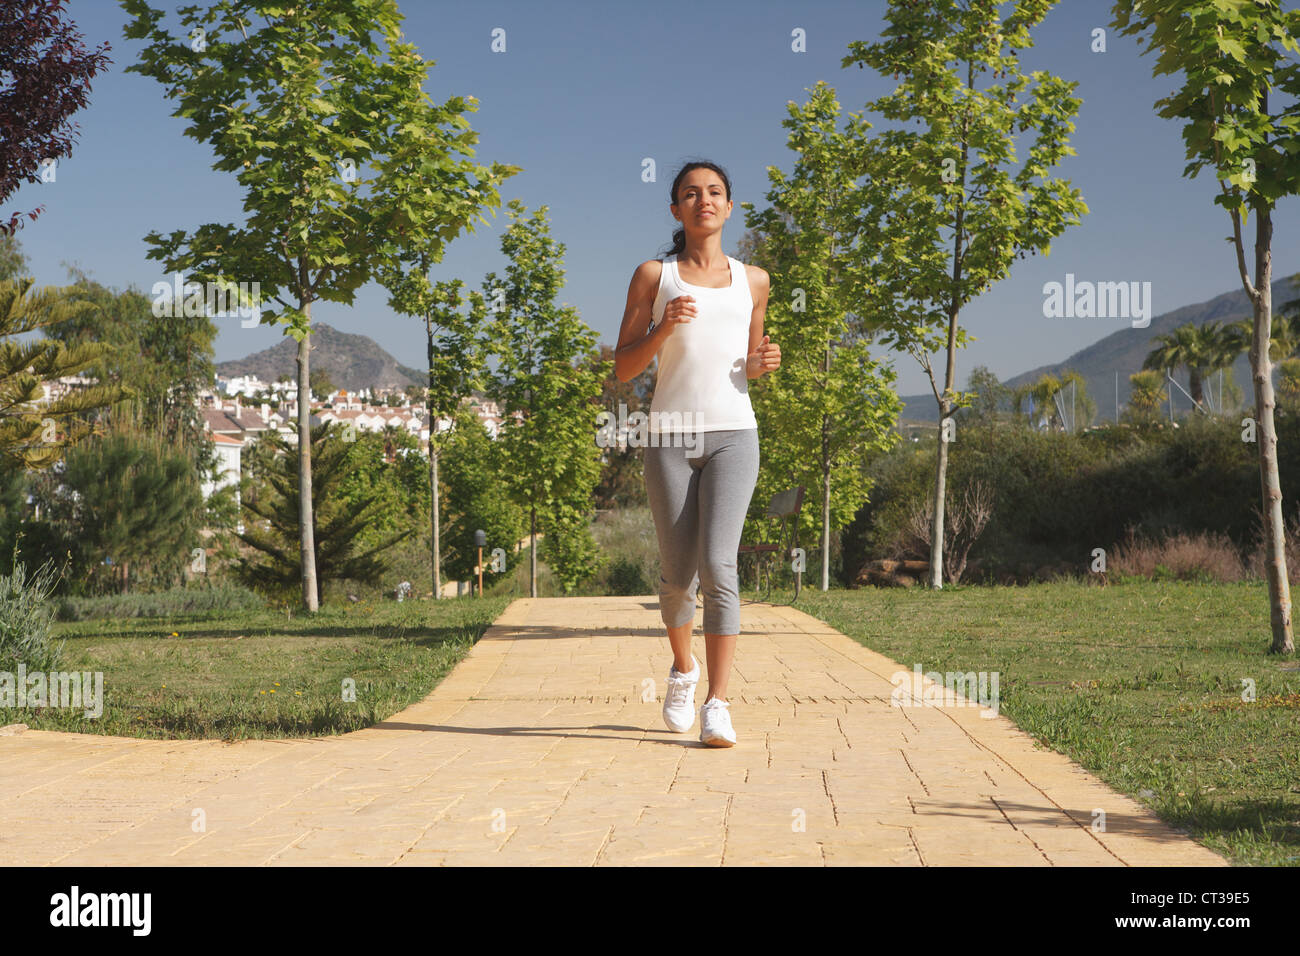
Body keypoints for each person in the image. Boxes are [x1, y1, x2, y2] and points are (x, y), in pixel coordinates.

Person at [613, 160, 780, 747]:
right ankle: (683, 670)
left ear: (729, 207)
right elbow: (623, 368)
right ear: (676, 209)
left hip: (736, 432)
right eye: (690, 193)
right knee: (678, 574)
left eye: (714, 192)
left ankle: (718, 701)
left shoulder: (753, 280)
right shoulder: (654, 276)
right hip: (671, 437)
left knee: (719, 564)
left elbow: (749, 362)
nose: (703, 200)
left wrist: (760, 365)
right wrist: (662, 329)